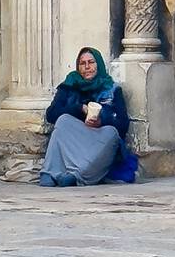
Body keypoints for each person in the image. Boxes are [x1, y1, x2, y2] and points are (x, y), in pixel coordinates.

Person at [38, 47, 131, 187]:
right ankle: (49, 172)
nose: (87, 67)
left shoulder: (112, 89)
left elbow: (123, 124)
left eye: (91, 62)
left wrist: (101, 121)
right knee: (63, 120)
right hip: (76, 138)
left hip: (98, 140)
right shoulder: (69, 85)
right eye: (82, 63)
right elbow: (51, 114)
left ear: (98, 64)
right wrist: (79, 109)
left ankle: (76, 176)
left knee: (112, 134)